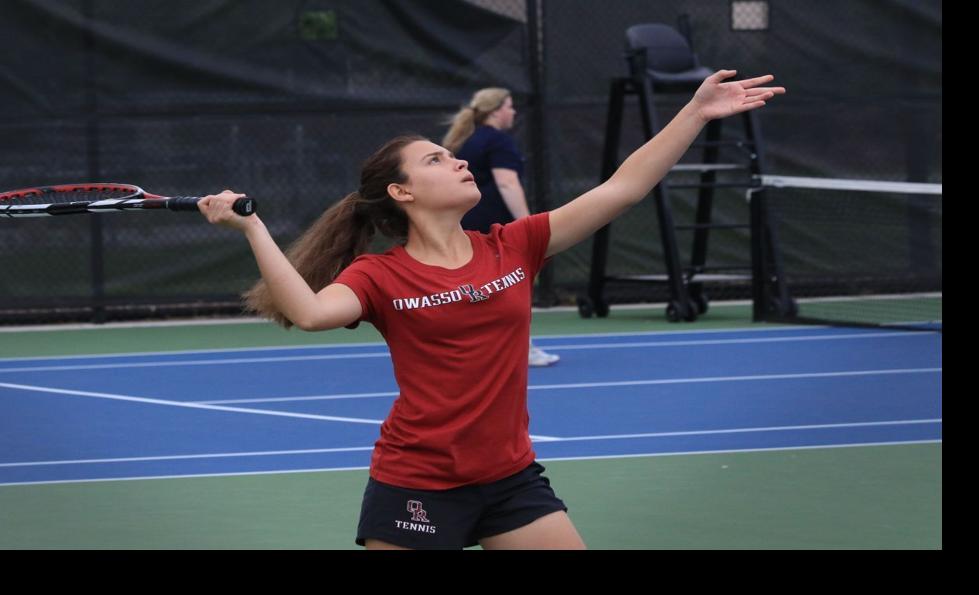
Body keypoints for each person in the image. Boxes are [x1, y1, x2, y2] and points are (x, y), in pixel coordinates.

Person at [198, 70, 784, 550]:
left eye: (451, 156)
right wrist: (252, 228)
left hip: (509, 479)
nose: (456, 161)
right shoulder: (379, 274)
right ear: (401, 193)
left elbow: (623, 188)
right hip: (418, 484)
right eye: (434, 160)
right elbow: (308, 312)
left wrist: (695, 113)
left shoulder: (513, 245)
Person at [442, 87, 559, 367]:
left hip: (465, 225)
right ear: (496, 111)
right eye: (509, 106)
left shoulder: (466, 141)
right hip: (493, 228)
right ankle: (523, 348)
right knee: (512, 286)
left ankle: (477, 349)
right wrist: (528, 226)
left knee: (476, 289)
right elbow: (507, 183)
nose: (514, 111)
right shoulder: (497, 141)